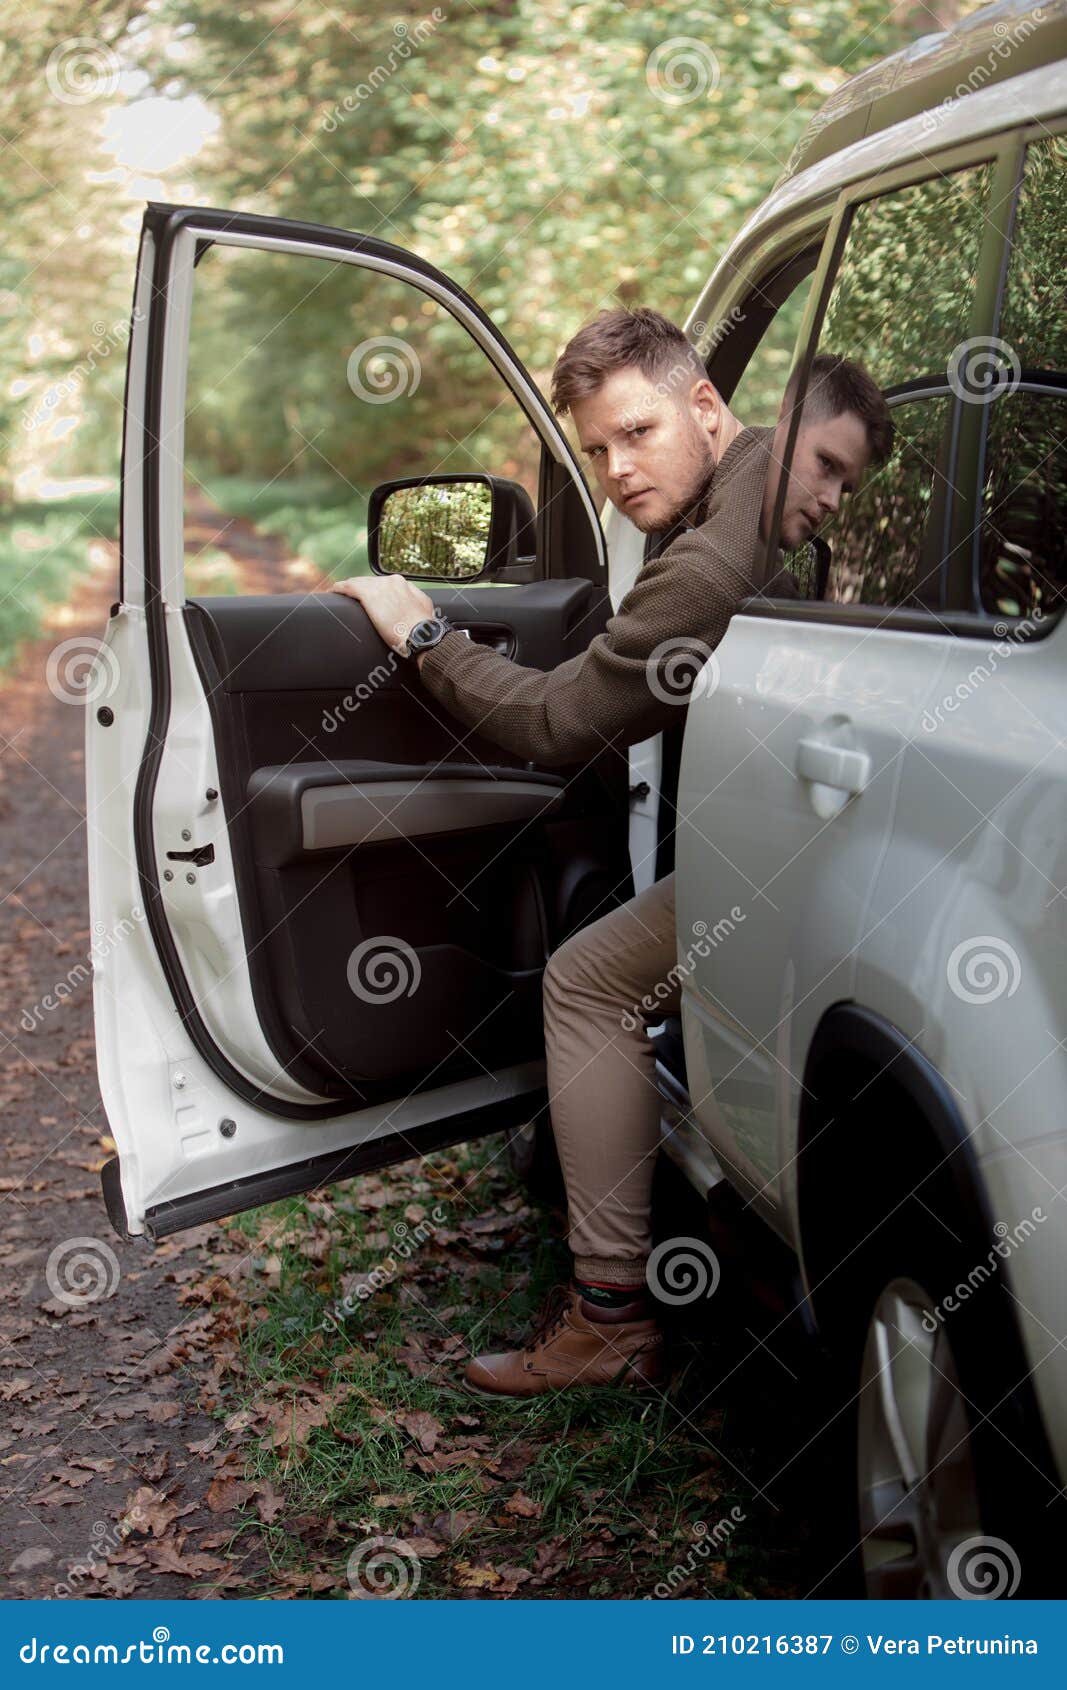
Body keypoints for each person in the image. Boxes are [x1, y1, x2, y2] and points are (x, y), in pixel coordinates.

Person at [333, 311, 893, 1397]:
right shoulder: (755, 492)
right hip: (837, 839)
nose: (615, 471)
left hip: (821, 857)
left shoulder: (707, 563)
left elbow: (552, 721)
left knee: (584, 980)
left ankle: (607, 1317)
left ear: (704, 406)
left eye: (635, 432)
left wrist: (421, 633)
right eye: (595, 449)